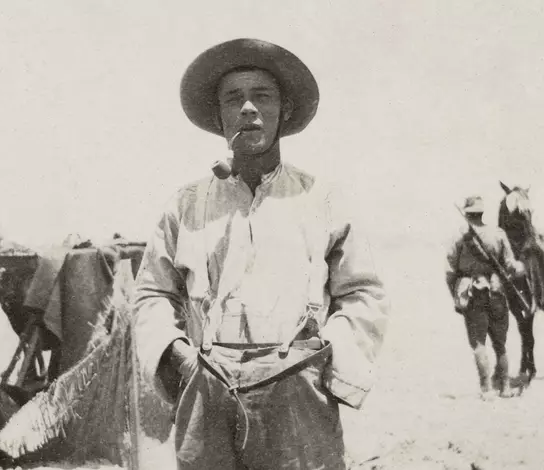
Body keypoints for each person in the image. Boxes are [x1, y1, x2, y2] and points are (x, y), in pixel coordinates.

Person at [133, 38, 390, 470]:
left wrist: (326, 356)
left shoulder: (322, 199)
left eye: (262, 96)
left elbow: (363, 293)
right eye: (234, 98)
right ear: (219, 116)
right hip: (207, 387)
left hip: (298, 389)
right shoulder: (186, 204)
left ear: (284, 111)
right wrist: (177, 353)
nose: (248, 108)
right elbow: (151, 295)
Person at [446, 195, 525, 398]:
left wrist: (455, 293)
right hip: (497, 291)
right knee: (500, 345)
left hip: (472, 293)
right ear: (481, 212)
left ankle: (487, 390)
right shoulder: (498, 234)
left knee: (479, 343)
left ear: (467, 213)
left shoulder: (459, 236)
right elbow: (511, 265)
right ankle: (506, 387)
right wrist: (519, 268)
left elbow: (450, 270)